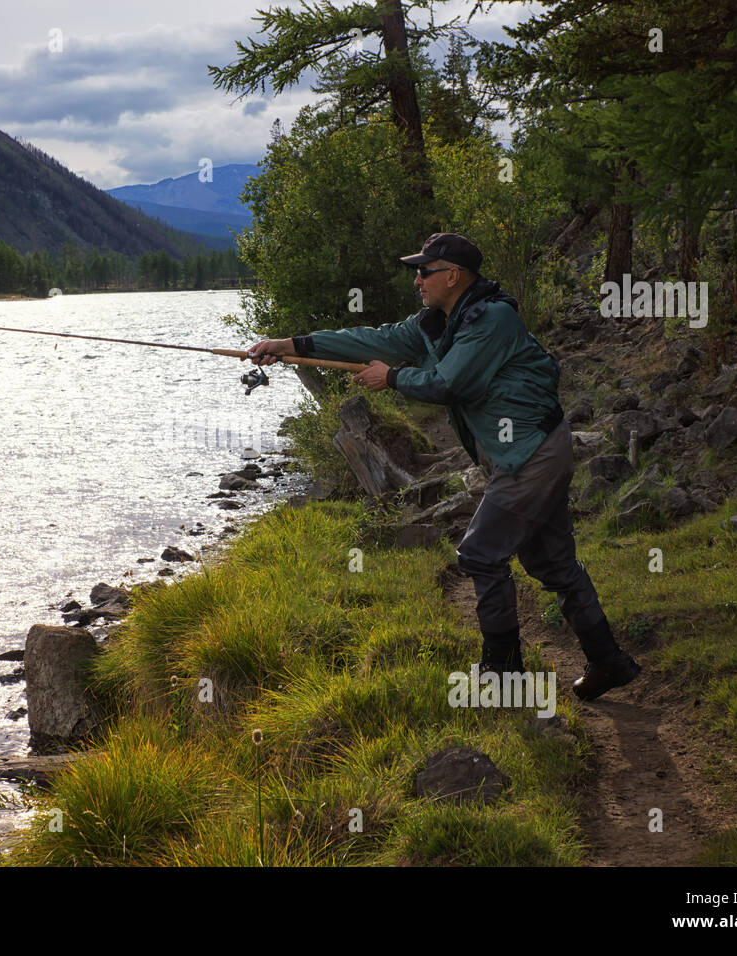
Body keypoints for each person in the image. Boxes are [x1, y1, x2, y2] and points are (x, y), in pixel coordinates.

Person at [246, 232, 640, 701]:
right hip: (527, 452)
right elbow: (373, 339)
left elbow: (447, 384)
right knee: (551, 562)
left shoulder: (492, 319)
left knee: (479, 554)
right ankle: (609, 661)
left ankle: (503, 676)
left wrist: (390, 377)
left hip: (531, 455)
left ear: (453, 275)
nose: (417, 281)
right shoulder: (439, 322)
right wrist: (290, 343)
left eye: (424, 271)